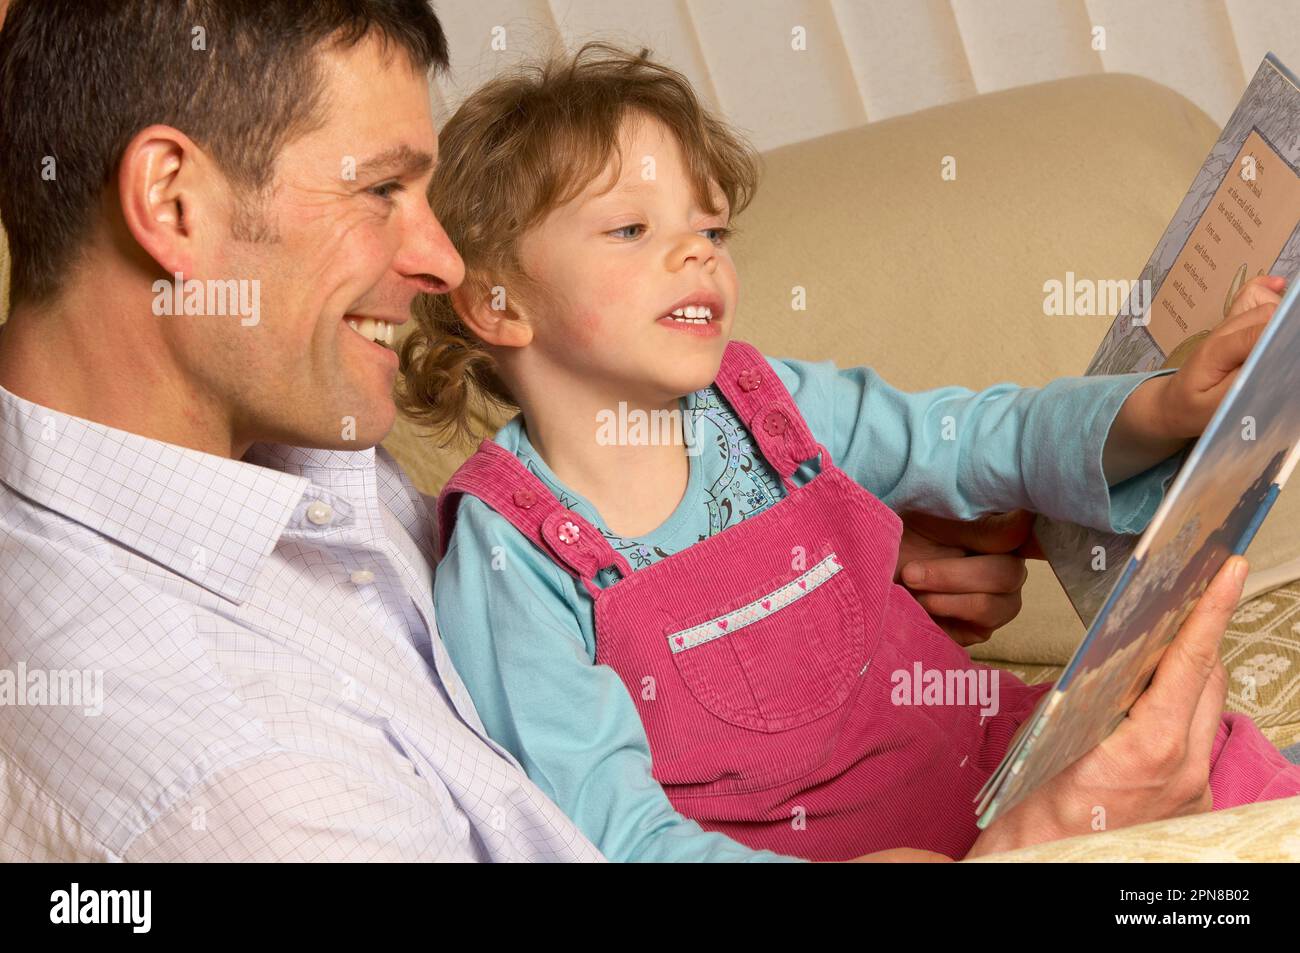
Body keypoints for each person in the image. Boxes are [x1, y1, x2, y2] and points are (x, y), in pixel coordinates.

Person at [0, 0, 1050, 862]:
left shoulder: (248, 432)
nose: (446, 263)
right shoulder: (242, 783)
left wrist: (797, 576)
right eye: (381, 189)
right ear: (174, 203)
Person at [418, 43, 1300, 861]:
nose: (697, 252)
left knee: (1210, 758)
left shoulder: (768, 405)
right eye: (629, 230)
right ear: (495, 303)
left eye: (711, 230)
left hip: (1005, 773)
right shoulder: (510, 554)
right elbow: (617, 837)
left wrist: (1165, 405)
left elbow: (982, 440)